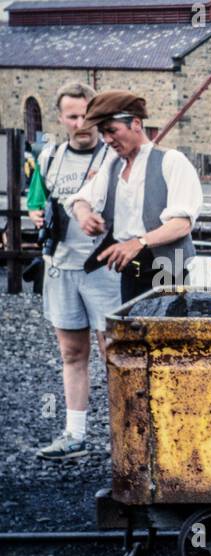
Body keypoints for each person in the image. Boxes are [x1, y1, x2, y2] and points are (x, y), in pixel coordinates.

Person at [29, 82, 115, 462]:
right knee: (71, 352)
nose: (82, 123)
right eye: (73, 116)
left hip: (105, 268)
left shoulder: (114, 156)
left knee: (114, 352)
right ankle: (75, 435)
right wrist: (37, 215)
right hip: (61, 266)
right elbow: (36, 199)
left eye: (87, 115)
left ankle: (127, 435)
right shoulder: (48, 157)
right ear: (61, 119)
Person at [67, 90, 203, 303]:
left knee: (167, 333)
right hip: (131, 270)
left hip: (169, 269)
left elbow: (182, 224)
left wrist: (139, 242)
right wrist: (84, 215)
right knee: (132, 332)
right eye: (103, 133)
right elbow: (81, 199)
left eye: (112, 130)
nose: (107, 139)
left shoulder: (171, 161)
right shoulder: (113, 165)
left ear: (136, 124)